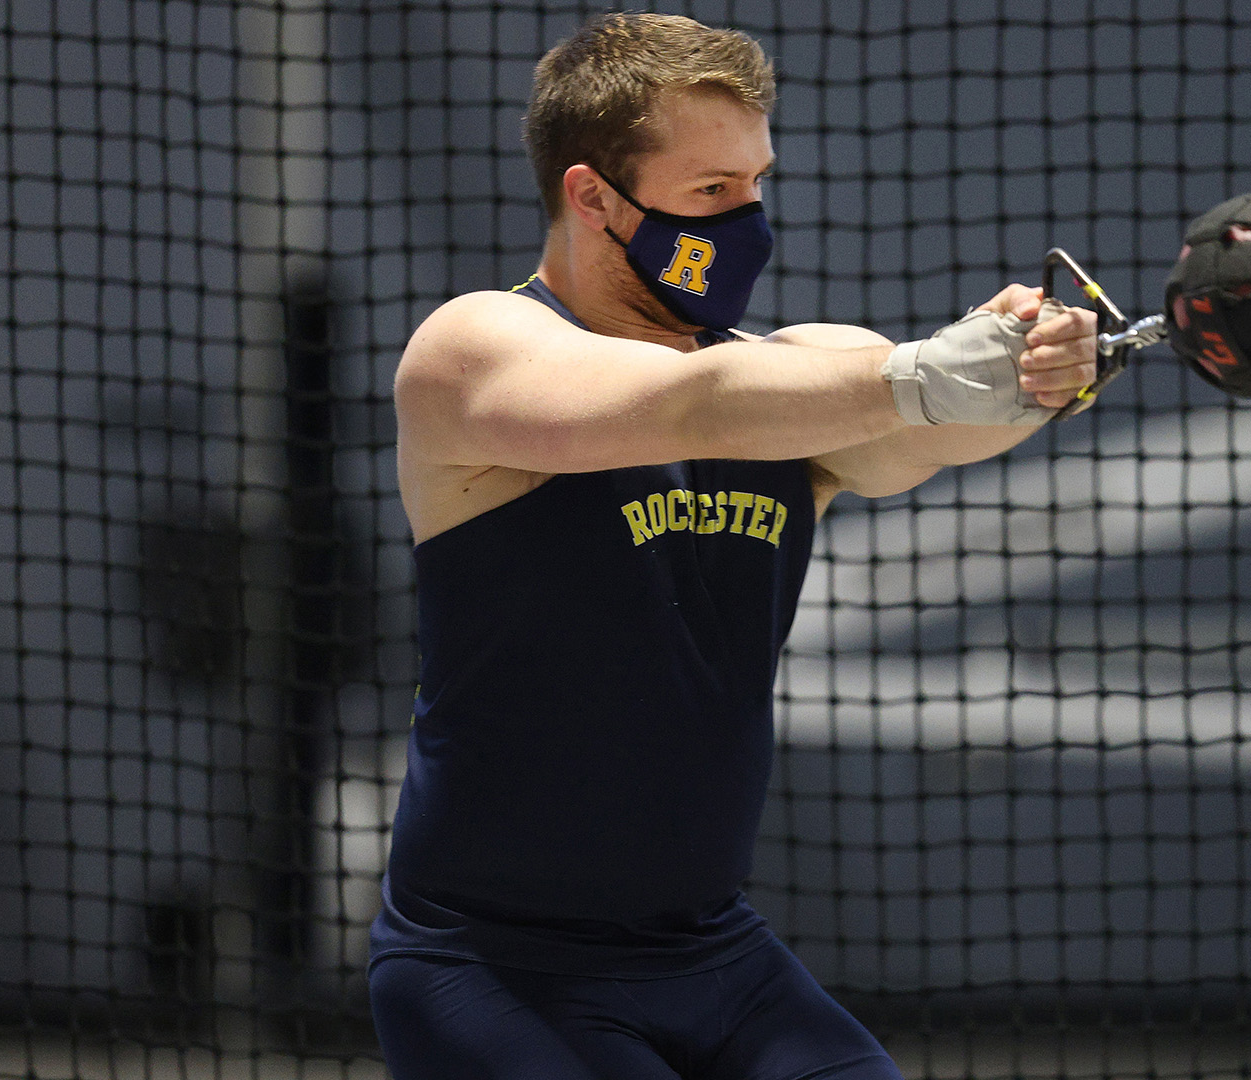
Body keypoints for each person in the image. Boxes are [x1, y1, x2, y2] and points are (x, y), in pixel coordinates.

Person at [368, 12, 1099, 1080]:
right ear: (592, 197)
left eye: (756, 184)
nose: (747, 217)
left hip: (714, 954)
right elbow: (696, 407)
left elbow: (928, 438)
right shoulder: (477, 347)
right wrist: (921, 371)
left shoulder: (790, 377)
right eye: (711, 192)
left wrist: (1045, 373)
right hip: (492, 965)